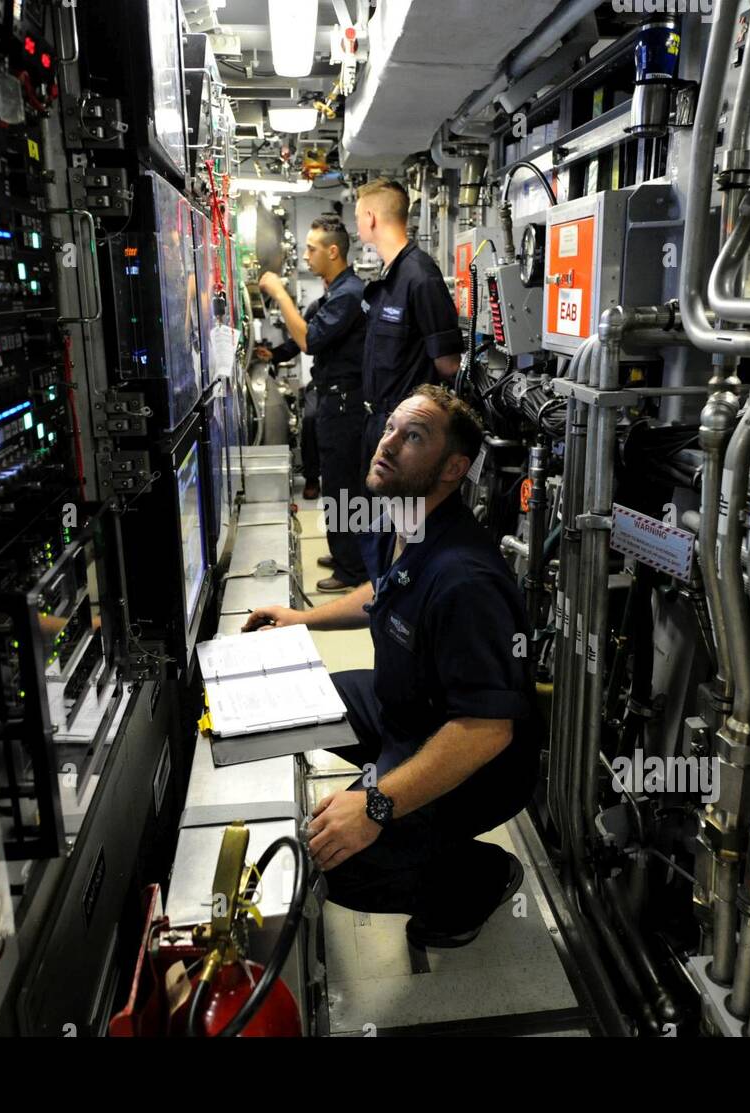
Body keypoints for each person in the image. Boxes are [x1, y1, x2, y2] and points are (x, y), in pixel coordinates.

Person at [243, 386, 538, 949]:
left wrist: (376, 805)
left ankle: (481, 877)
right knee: (298, 701)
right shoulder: (399, 521)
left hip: (476, 756)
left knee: (340, 865)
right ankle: (403, 806)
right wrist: (301, 618)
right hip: (405, 705)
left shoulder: (465, 580)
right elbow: (380, 593)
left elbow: (486, 729)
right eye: (391, 428)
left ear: (454, 467)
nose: (389, 444)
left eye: (414, 436)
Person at [257, 215, 369, 592]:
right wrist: (273, 353)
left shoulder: (350, 294)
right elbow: (302, 331)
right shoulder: (333, 292)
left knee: (342, 487)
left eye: (312, 248)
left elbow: (310, 340)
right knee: (335, 484)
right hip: (332, 401)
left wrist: (280, 294)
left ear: (333, 251)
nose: (306, 255)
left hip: (346, 405)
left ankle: (353, 569)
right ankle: (344, 553)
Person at [354, 179, 464, 483]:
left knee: (398, 522)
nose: (358, 226)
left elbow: (449, 365)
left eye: (358, 217)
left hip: (406, 433)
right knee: (373, 519)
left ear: (371, 218)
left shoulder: (420, 276)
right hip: (379, 422)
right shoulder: (391, 276)